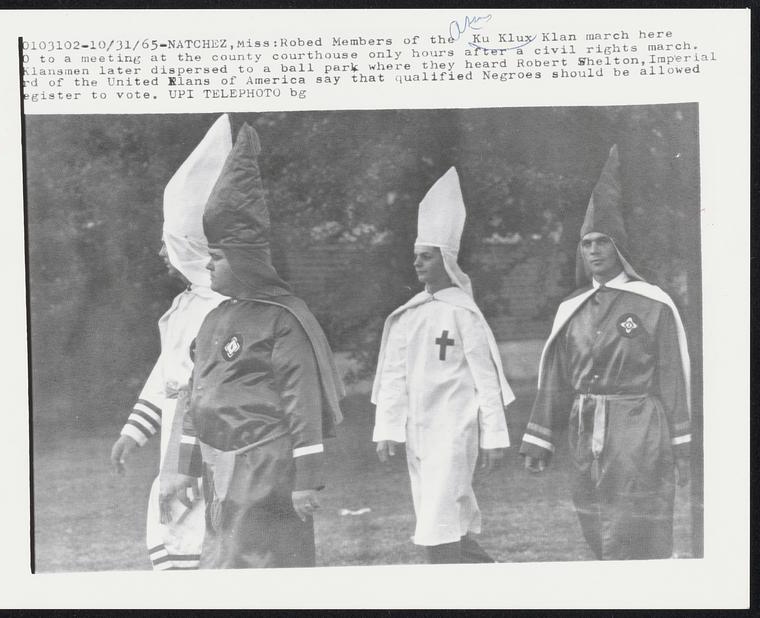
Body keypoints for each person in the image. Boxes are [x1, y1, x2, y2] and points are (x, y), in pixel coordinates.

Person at [159, 122, 344, 569]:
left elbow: (302, 403)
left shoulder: (283, 318)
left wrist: (306, 480)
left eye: (217, 257)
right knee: (223, 559)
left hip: (267, 466)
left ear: (243, 260)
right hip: (218, 468)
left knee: (263, 562)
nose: (208, 265)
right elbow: (194, 395)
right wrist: (185, 465)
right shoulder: (214, 317)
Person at [519, 145, 692, 560]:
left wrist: (682, 446)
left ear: (619, 247)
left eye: (602, 242)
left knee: (634, 524)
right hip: (585, 427)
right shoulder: (571, 309)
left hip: (638, 427)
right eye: (586, 243)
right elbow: (555, 380)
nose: (593, 251)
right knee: (593, 520)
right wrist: (539, 441)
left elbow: (672, 376)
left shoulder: (653, 304)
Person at [371, 167, 515, 564]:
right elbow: (394, 377)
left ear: (446, 260)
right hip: (419, 432)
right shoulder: (409, 314)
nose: (417, 263)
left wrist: (494, 437)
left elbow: (487, 382)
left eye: (427, 256)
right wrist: (387, 428)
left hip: (454, 430)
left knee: (439, 523)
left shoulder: (463, 315)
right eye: (415, 256)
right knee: (440, 519)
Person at [109, 114, 232, 570]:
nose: (163, 254)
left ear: (187, 246)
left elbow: (204, 391)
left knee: (195, 541)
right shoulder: (184, 305)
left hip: (203, 443)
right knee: (173, 538)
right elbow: (164, 374)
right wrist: (133, 432)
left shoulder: (219, 307)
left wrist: (183, 462)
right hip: (175, 444)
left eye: (169, 244)